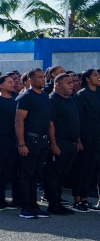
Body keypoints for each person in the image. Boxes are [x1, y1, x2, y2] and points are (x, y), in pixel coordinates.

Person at [14, 68, 52, 219]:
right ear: (30, 80)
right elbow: (19, 121)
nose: (43, 79)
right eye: (39, 77)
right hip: (30, 140)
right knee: (26, 174)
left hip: (43, 140)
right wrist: (21, 144)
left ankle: (34, 205)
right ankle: (25, 208)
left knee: (36, 175)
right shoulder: (25, 97)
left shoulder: (45, 96)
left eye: (43, 77)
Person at [44, 73, 82, 215]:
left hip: (71, 143)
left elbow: (75, 121)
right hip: (59, 142)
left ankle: (58, 202)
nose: (72, 85)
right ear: (57, 85)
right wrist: (53, 144)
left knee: (62, 175)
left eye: (72, 82)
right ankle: (53, 204)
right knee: (54, 174)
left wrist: (78, 140)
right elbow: (51, 124)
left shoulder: (70, 100)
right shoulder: (52, 100)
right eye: (68, 83)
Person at [0, 74, 22, 209]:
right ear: (1, 85)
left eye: (13, 81)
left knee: (11, 171)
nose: (13, 83)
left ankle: (14, 199)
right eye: (9, 82)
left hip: (13, 140)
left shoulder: (15, 100)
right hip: (1, 140)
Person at [74, 69, 100, 212]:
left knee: (90, 168)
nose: (98, 77)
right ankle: (77, 199)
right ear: (87, 79)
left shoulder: (98, 94)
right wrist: (78, 139)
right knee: (81, 168)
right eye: (95, 75)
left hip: (96, 136)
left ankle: (85, 198)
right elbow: (78, 118)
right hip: (85, 136)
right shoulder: (82, 95)